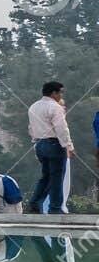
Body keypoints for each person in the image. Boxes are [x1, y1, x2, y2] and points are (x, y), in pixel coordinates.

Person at [27, 79, 75, 216]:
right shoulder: (55, 107)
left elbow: (31, 128)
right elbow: (61, 128)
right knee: (56, 178)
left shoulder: (33, 107)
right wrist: (69, 146)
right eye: (60, 93)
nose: (61, 96)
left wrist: (36, 142)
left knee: (46, 177)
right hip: (54, 144)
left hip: (39, 144)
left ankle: (34, 204)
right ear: (54, 93)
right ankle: (55, 208)